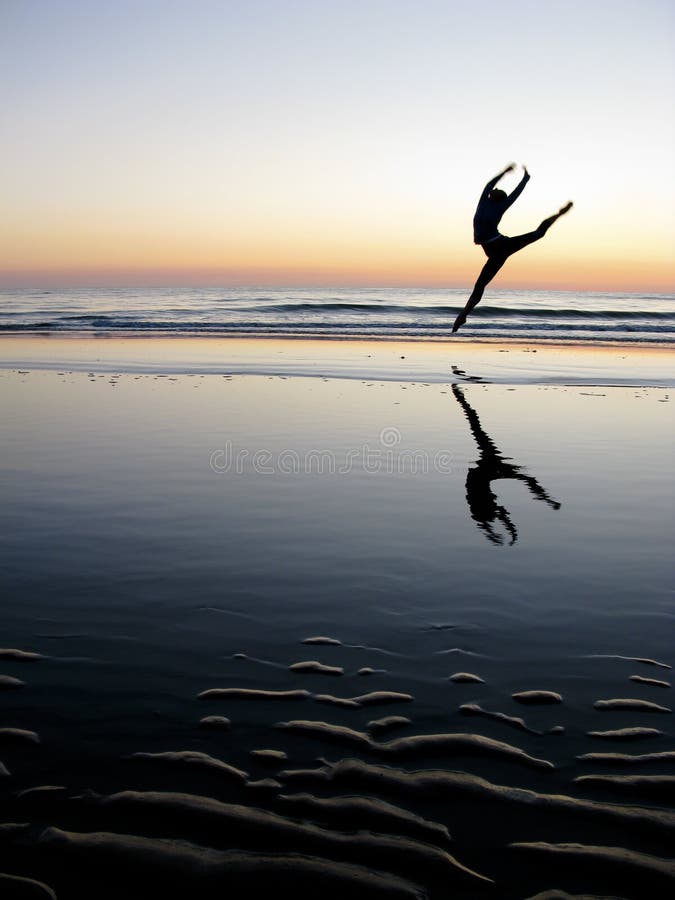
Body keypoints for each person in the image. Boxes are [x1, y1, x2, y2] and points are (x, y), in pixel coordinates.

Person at [452, 164, 572, 333]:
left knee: (538, 234)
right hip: (494, 252)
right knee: (480, 285)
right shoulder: (483, 200)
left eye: (497, 190)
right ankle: (463, 315)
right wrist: (505, 172)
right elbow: (490, 183)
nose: (495, 189)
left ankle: (559, 214)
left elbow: (516, 193)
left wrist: (525, 179)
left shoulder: (501, 205)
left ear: (498, 197)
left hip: (502, 246)